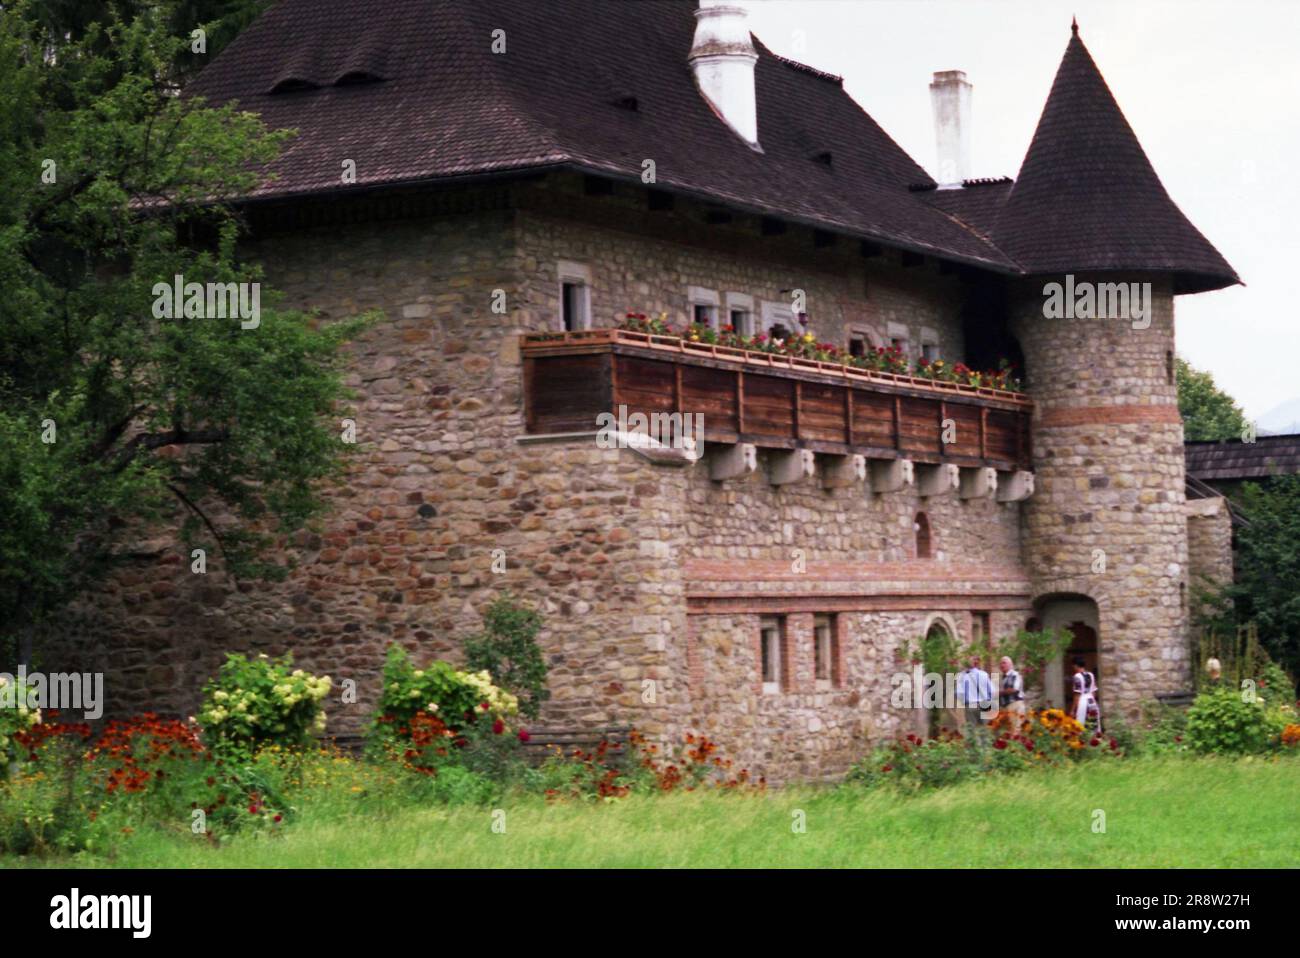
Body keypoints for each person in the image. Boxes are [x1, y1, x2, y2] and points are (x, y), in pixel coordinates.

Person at [957, 656, 995, 744]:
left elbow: (959, 693)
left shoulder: (963, 676)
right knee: (984, 730)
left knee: (971, 731)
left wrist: (965, 701)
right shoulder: (984, 674)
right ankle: (986, 752)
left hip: (970, 705)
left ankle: (973, 753)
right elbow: (992, 691)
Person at [1069, 657, 1101, 732]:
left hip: (1082, 701)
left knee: (1081, 723)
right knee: (1093, 723)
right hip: (1092, 701)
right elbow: (1093, 691)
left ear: (1076, 666)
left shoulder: (1077, 676)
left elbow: (1077, 694)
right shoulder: (1091, 675)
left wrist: (1073, 710)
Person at [999, 656, 1026, 728]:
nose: (1001, 665)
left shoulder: (1015, 675)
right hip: (1005, 707)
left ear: (1010, 665)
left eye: (1004, 663)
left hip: (1015, 704)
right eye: (1000, 664)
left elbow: (1014, 689)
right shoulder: (1003, 677)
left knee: (1015, 729)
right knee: (1007, 731)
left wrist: (999, 693)